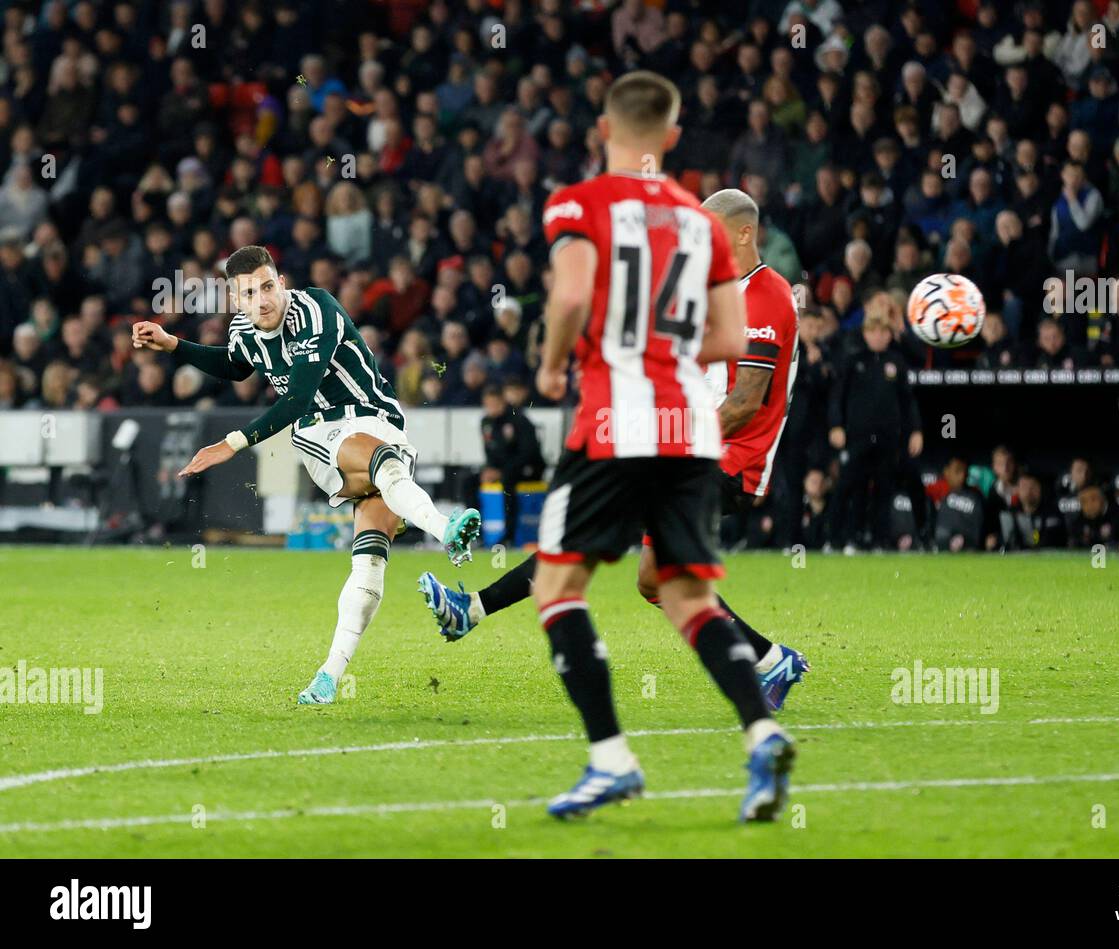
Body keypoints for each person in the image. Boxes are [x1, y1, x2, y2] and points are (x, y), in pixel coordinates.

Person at [428, 71, 794, 822]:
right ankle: (761, 732)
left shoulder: (579, 203)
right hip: (689, 430)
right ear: (671, 137)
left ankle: (611, 759)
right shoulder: (696, 224)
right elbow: (727, 339)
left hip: (615, 420)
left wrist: (555, 359)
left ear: (603, 130)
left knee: (562, 587)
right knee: (685, 592)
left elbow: (565, 297)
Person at [418, 189, 812, 714]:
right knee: (653, 579)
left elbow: (744, 402)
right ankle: (770, 660)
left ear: (744, 233)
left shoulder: (767, 294)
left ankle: (472, 608)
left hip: (732, 461)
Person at [131, 246, 482, 704]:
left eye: (268, 286)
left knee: (370, 558)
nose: (262, 300)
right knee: (381, 464)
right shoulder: (245, 329)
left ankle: (329, 676)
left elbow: (295, 396)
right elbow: (237, 365)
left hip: (379, 419)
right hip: (323, 431)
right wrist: (176, 345)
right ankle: (444, 530)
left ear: (282, 282)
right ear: (236, 301)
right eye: (249, 293)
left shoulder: (316, 310)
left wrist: (230, 444)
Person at [827, 309, 923, 551]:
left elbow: (908, 400)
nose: (879, 336)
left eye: (884, 332)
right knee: (849, 487)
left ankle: (881, 541)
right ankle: (841, 539)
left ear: (890, 335)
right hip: (857, 437)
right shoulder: (853, 360)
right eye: (874, 331)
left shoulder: (896, 362)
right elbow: (837, 397)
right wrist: (836, 425)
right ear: (866, 333)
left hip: (888, 438)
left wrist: (916, 430)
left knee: (884, 489)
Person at [480, 383, 544, 542]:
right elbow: (490, 451)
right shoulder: (486, 423)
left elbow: (528, 454)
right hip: (501, 470)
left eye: (495, 404)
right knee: (468, 481)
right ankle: (478, 534)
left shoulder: (519, 420)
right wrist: (488, 469)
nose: (491, 408)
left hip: (526, 469)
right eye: (488, 405)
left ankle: (509, 535)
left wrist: (501, 472)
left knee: (507, 481)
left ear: (503, 401)